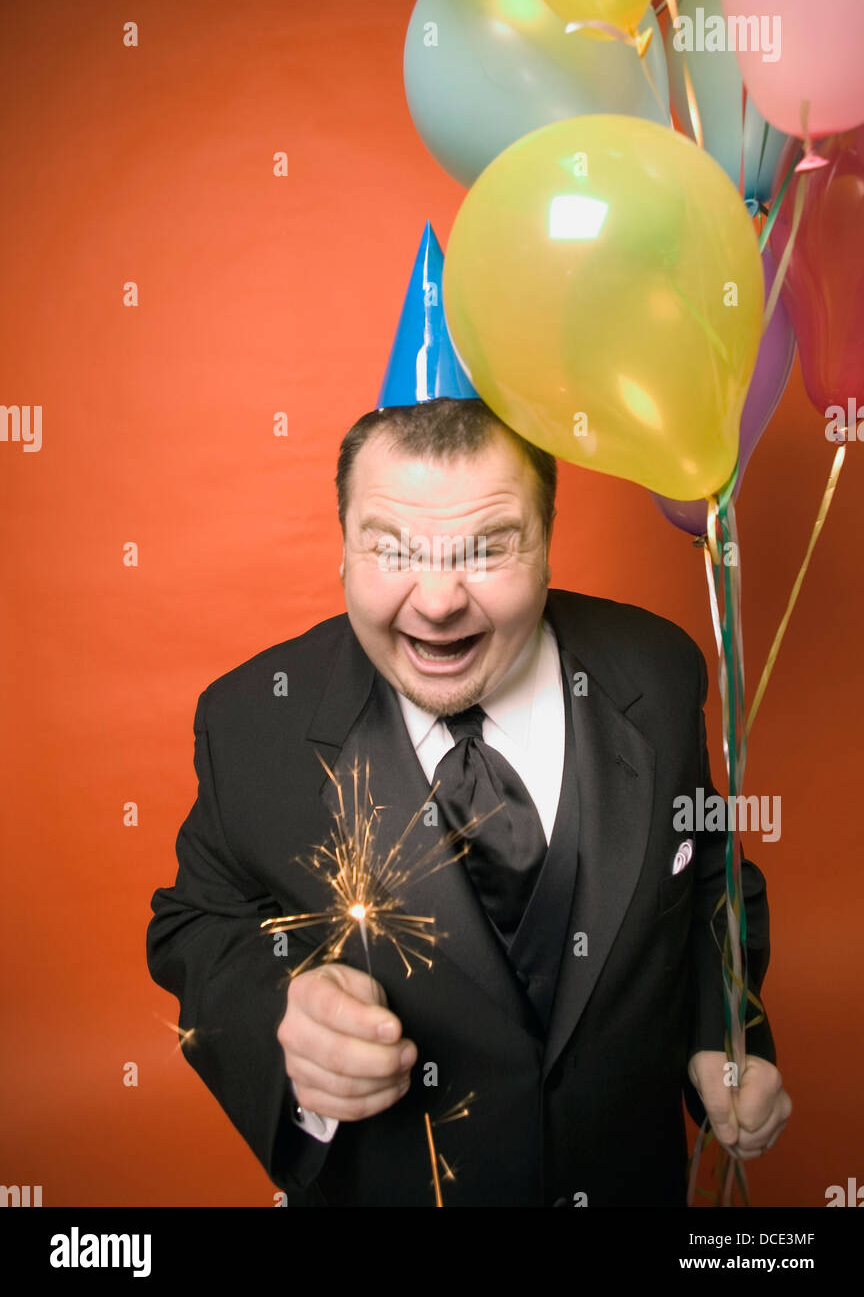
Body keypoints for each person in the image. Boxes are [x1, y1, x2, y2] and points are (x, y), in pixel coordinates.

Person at [146, 394, 791, 1207]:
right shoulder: (252, 723)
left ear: (548, 544)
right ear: (342, 549)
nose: (440, 602)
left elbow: (706, 884)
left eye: (487, 547)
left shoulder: (657, 673)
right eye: (392, 550)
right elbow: (195, 924)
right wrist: (281, 1017)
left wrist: (724, 1038)